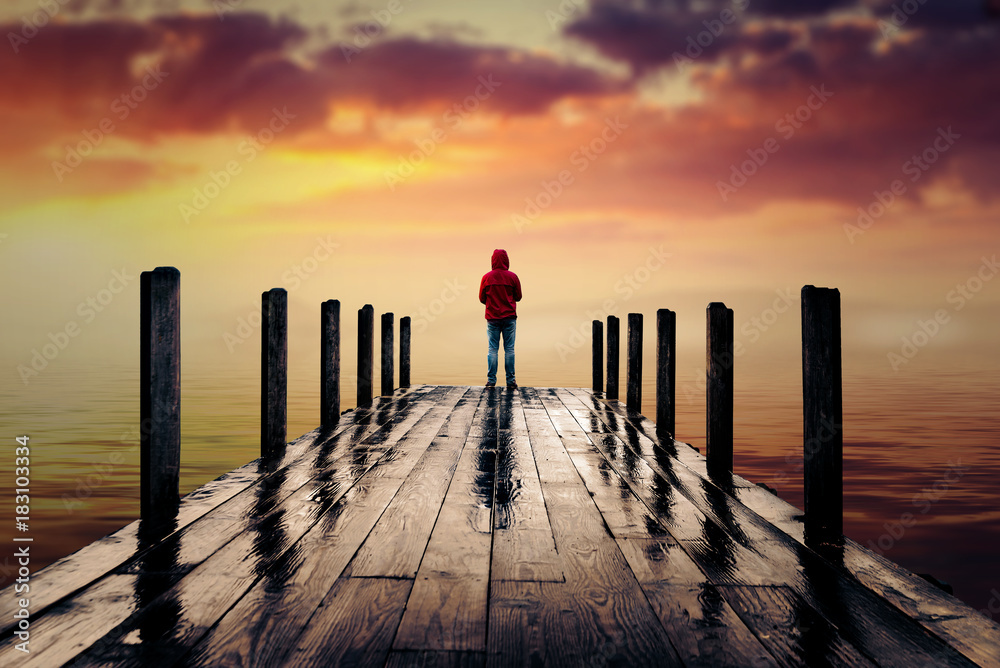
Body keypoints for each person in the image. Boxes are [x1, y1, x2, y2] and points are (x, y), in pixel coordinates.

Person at [479, 249, 522, 389]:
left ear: (492, 260)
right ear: (506, 260)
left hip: (492, 318)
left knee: (492, 349)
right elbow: (519, 297)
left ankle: (491, 381)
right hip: (509, 317)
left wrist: (492, 304)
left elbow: (481, 298)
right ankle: (511, 381)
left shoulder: (486, 277)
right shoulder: (513, 277)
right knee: (509, 349)